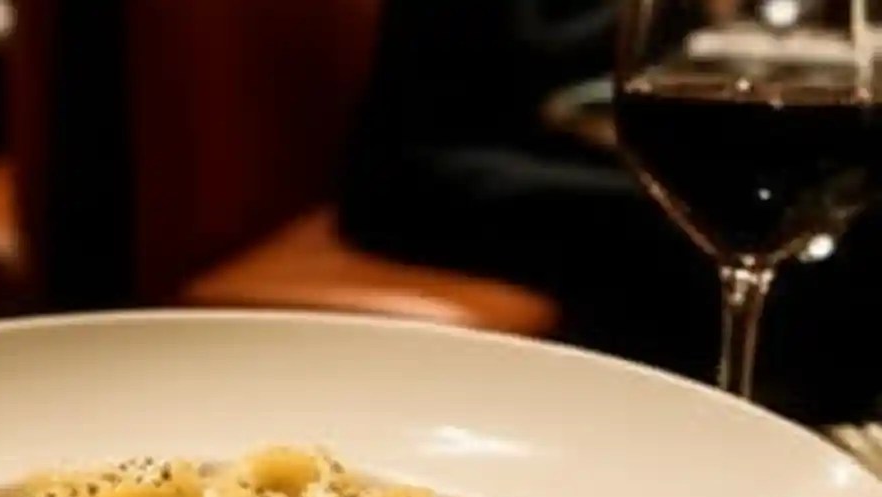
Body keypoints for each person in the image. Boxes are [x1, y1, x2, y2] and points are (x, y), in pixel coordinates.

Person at [338, 0, 882, 423]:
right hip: (424, 182)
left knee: (840, 229)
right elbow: (539, 51)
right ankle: (774, 432)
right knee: (729, 237)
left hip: (536, 148)